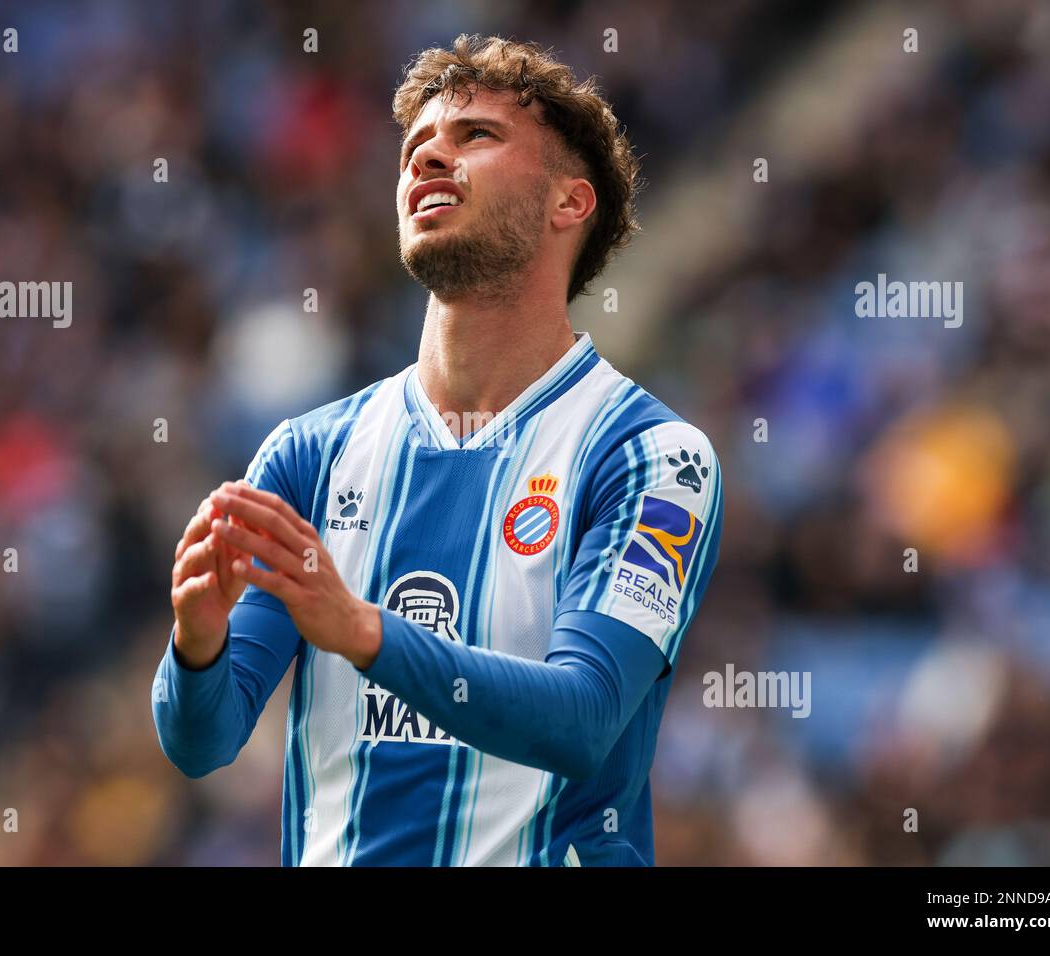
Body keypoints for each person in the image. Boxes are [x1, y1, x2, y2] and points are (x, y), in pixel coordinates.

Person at [153, 34, 723, 866]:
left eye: (475, 137)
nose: (429, 159)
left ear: (570, 202)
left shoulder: (651, 457)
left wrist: (361, 630)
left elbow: (584, 718)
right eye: (416, 147)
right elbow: (200, 742)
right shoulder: (310, 454)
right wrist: (195, 643)